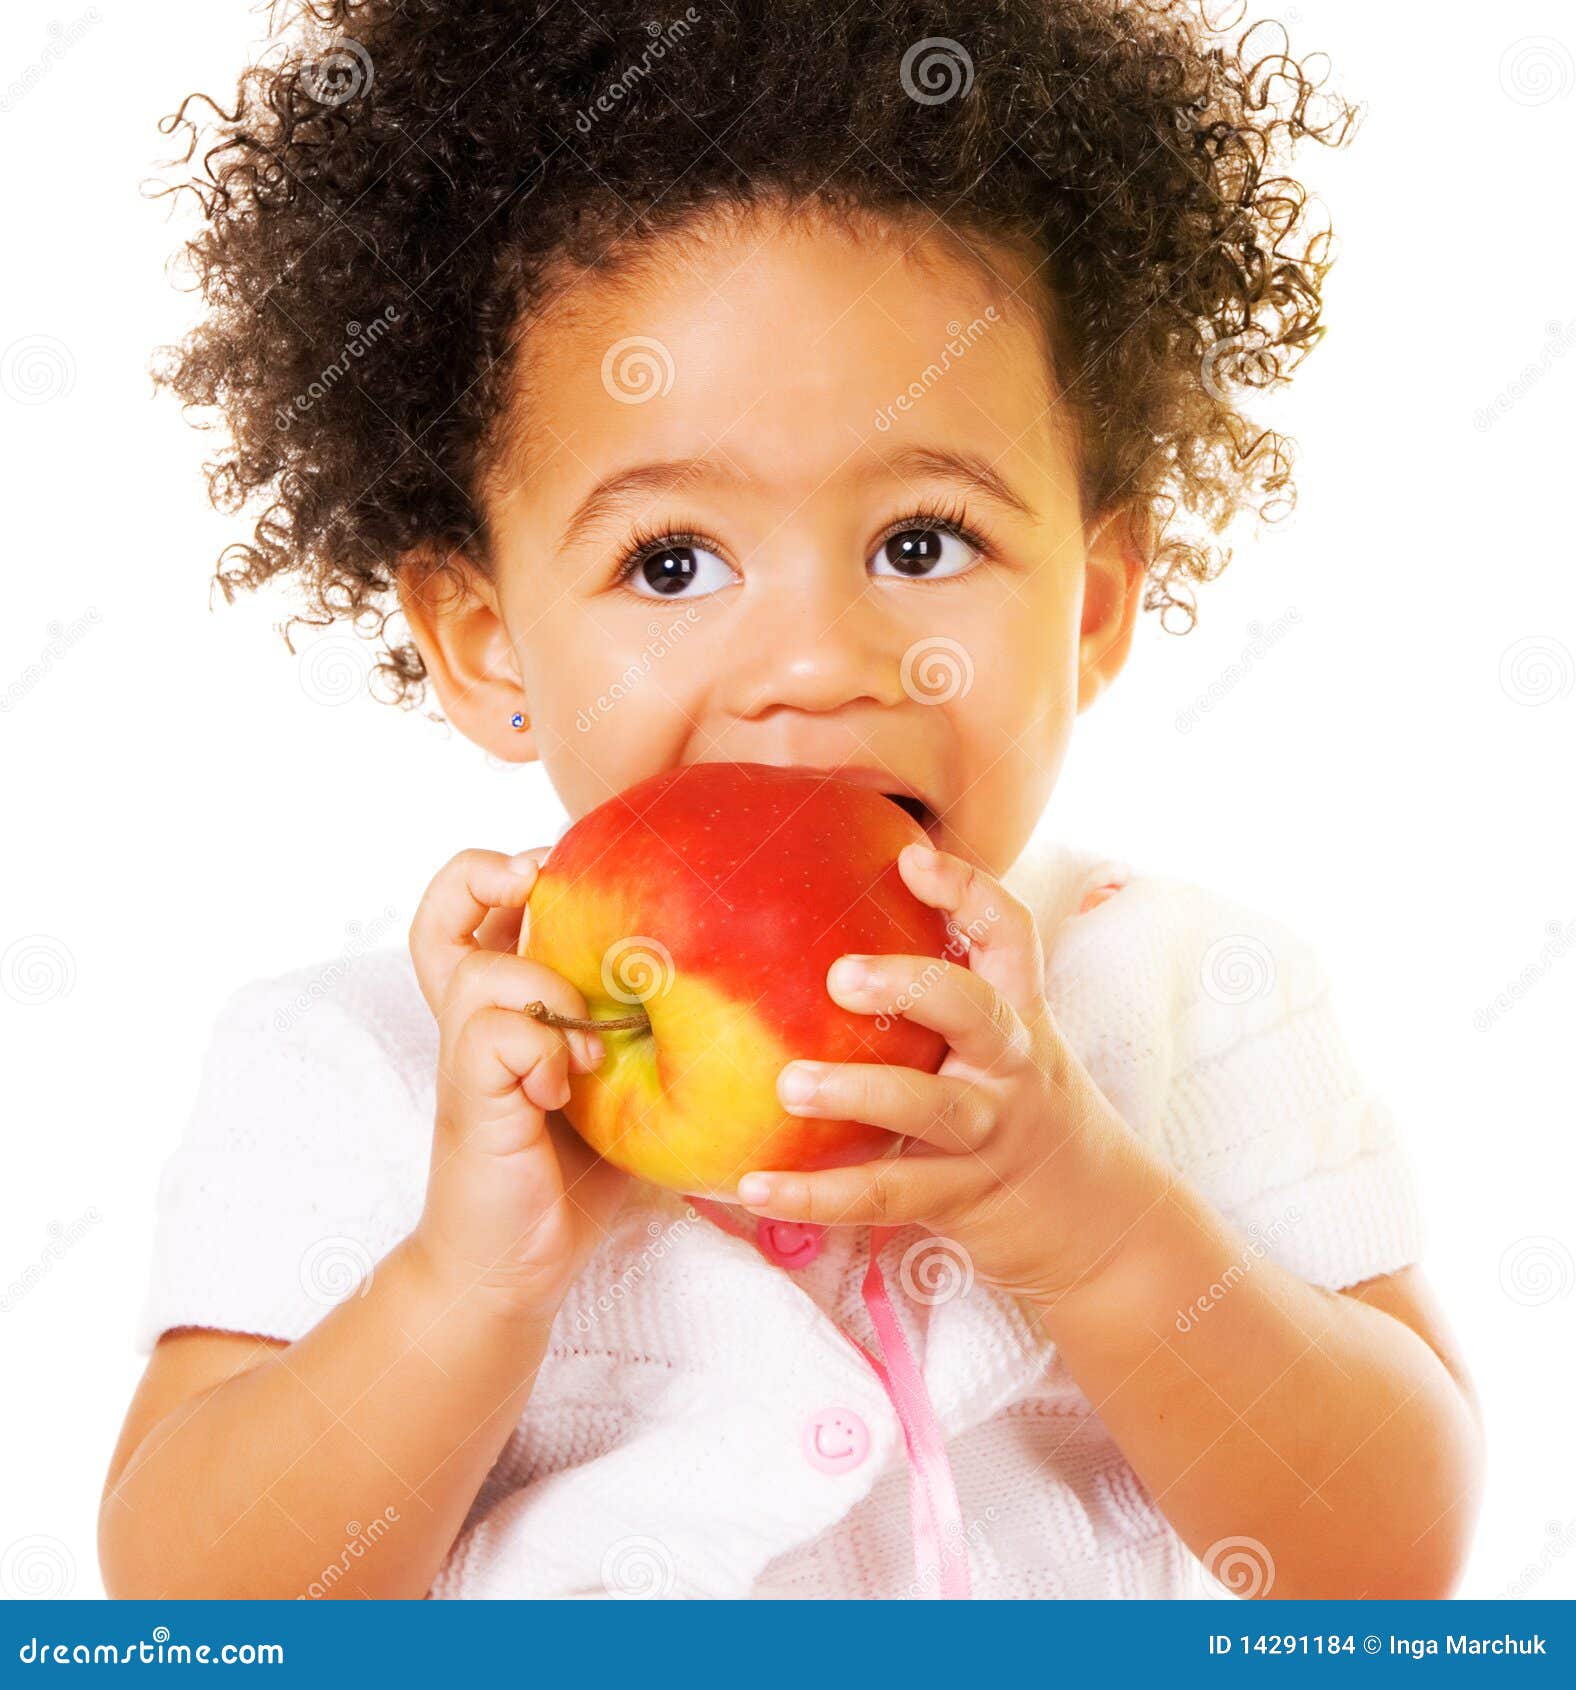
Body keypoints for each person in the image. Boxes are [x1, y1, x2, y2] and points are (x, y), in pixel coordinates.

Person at [100, 0, 1483, 1599]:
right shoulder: (367, 1071)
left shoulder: (1183, 1001)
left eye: (922, 542)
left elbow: (1387, 1566)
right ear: (487, 646)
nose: (819, 662)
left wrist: (1088, 1221)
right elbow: (196, 1614)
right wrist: (464, 1282)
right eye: (672, 561)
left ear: (1093, 609)